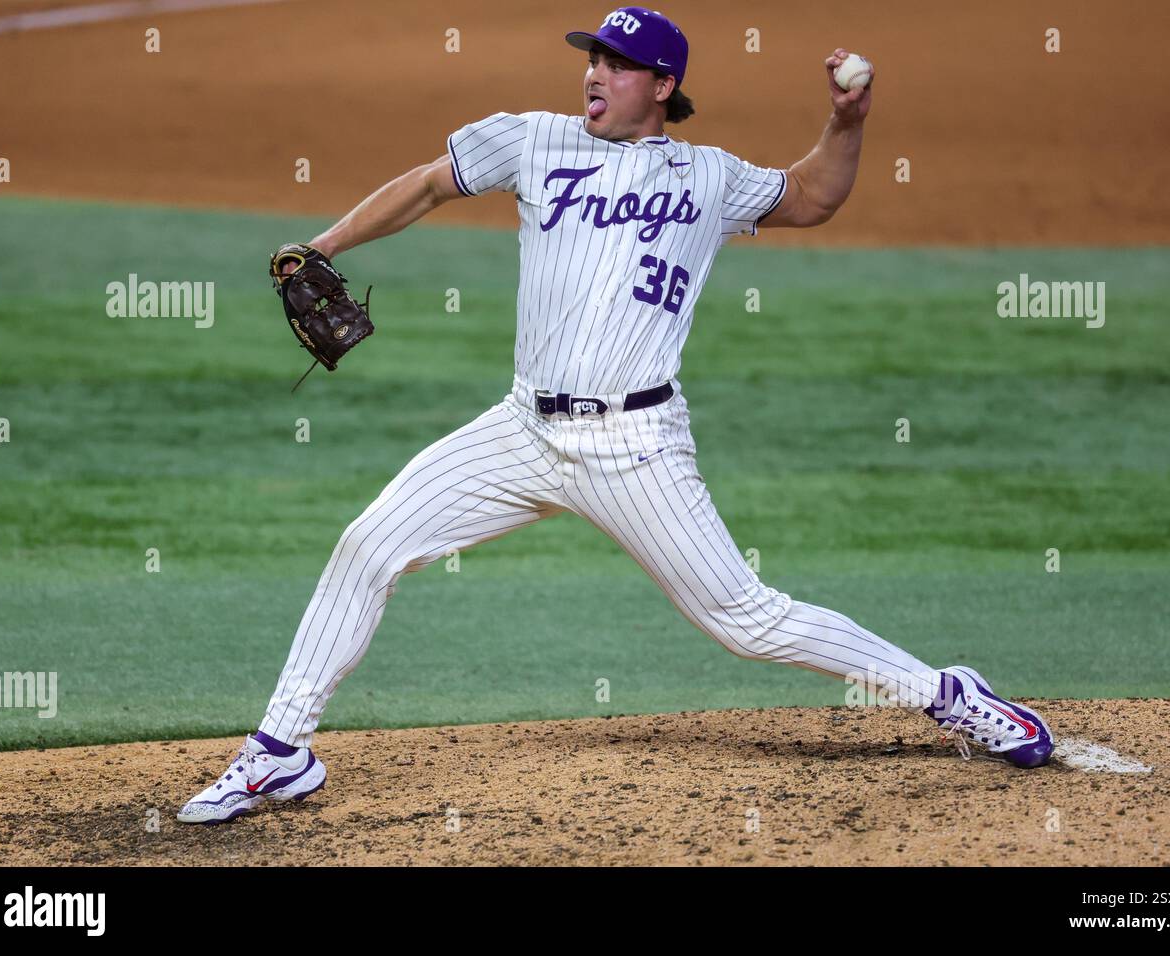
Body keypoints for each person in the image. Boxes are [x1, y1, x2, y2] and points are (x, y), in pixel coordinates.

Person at [178, 6, 1052, 825]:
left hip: (637, 447)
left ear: (662, 84)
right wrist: (325, 246)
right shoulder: (533, 140)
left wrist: (847, 124)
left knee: (745, 621)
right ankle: (280, 750)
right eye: (591, 57)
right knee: (368, 544)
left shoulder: (708, 175)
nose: (593, 74)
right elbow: (427, 186)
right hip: (521, 431)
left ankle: (950, 695)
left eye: (616, 63)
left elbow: (812, 198)